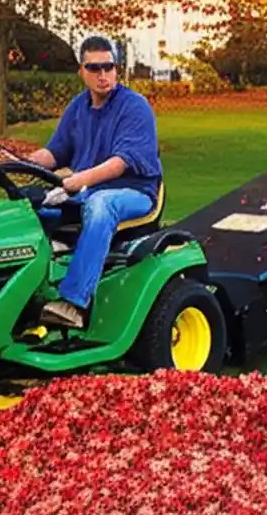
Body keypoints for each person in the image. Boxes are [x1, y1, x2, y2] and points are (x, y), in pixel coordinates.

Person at [25, 34, 163, 330]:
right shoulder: (78, 108)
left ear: (116, 68)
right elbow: (56, 151)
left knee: (102, 205)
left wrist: (80, 180)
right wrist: (28, 161)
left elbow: (120, 162)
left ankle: (75, 303)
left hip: (134, 193)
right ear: (82, 72)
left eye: (109, 67)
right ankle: (23, 296)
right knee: (27, 209)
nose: (103, 75)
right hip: (86, 193)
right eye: (94, 68)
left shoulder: (134, 107)